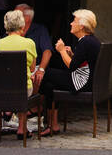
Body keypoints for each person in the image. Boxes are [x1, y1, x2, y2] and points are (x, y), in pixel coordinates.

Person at [39, 9, 101, 137]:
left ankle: (34, 112)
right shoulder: (90, 40)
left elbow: (72, 67)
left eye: (74, 21)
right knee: (49, 85)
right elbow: (82, 62)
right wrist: (72, 54)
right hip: (87, 79)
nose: (71, 23)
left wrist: (61, 51)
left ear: (82, 26)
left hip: (81, 82)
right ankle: (52, 124)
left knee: (46, 74)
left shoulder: (85, 42)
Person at [0, 10, 40, 137]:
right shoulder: (29, 43)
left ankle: (5, 115)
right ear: (22, 25)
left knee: (10, 86)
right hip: (23, 88)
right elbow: (32, 68)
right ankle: (21, 128)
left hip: (2, 89)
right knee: (23, 86)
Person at [17, 3, 53, 78]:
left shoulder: (40, 30)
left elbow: (47, 51)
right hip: (15, 68)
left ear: (27, 17)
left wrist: (41, 70)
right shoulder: (12, 30)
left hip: (35, 68)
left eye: (16, 15)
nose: (13, 18)